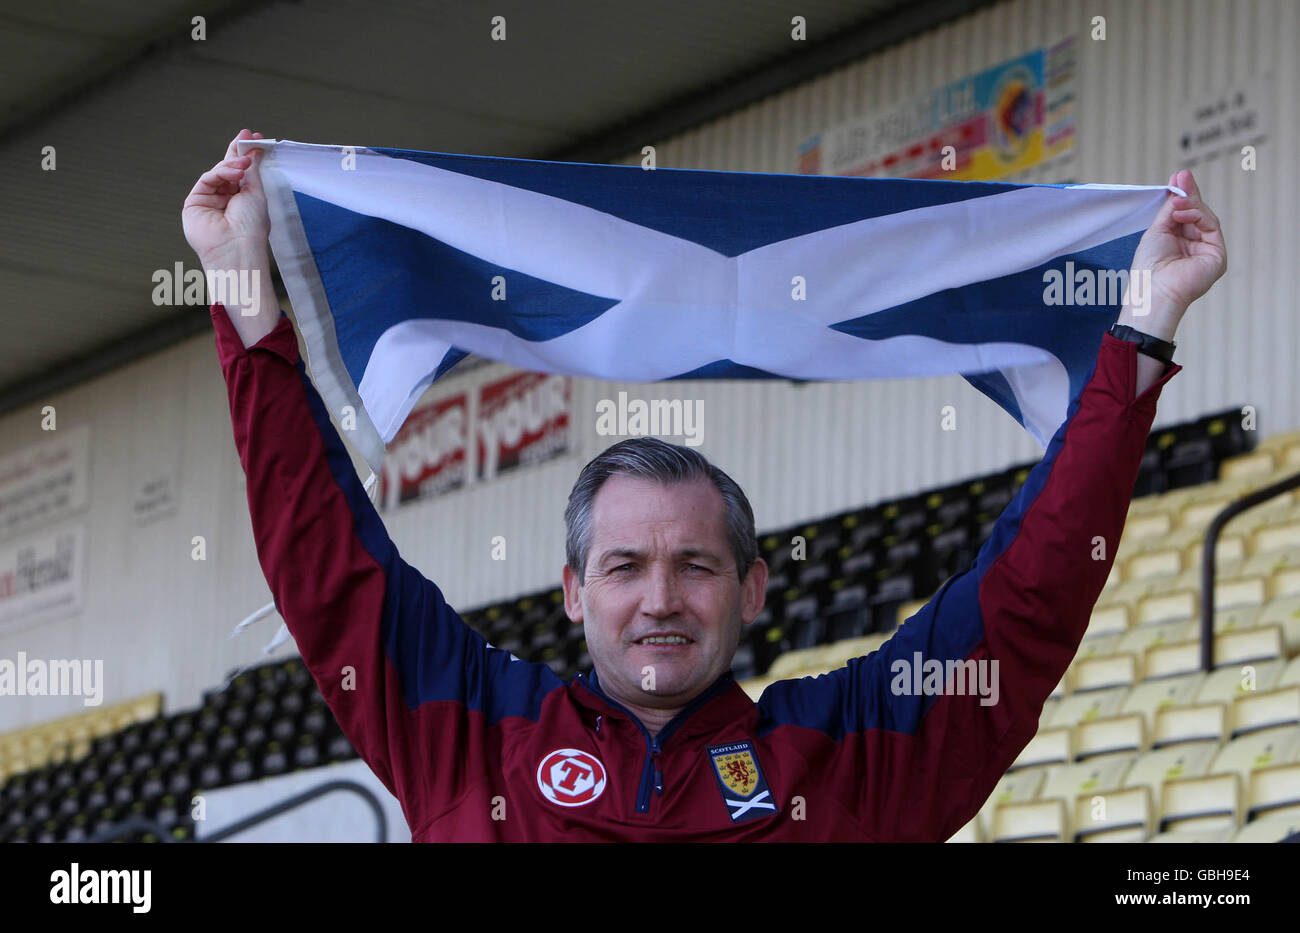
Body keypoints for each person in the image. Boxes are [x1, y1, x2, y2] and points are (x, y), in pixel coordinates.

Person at [183, 128, 1226, 841]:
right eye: (625, 565)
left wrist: (1139, 332)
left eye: (695, 565)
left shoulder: (850, 759)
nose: (660, 598)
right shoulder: (468, 735)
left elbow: (1025, 606)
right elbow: (325, 562)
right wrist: (239, 291)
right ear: (572, 591)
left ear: (752, 588)